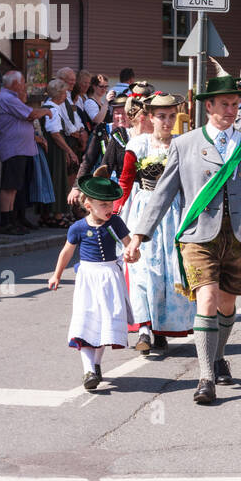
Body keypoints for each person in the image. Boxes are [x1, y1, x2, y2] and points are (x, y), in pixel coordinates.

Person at [127, 75, 241, 405]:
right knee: (206, 297)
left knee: (227, 303)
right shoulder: (185, 144)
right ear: (209, 106)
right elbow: (163, 193)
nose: (232, 110)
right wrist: (138, 235)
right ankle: (205, 378)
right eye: (225, 104)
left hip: (239, 233)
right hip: (198, 233)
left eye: (235, 104)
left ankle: (217, 356)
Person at [48, 167, 140, 391]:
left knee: (105, 323)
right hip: (88, 278)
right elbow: (67, 252)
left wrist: (133, 254)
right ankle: (89, 369)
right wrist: (57, 274)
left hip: (110, 276)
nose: (109, 209)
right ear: (88, 206)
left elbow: (129, 245)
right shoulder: (78, 228)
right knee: (86, 320)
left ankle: (96, 365)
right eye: (104, 205)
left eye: (110, 204)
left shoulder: (115, 223)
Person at [115, 93, 195, 352]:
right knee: (143, 271)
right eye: (162, 116)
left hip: (173, 214)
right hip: (143, 211)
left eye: (172, 116)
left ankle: (161, 327)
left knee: (167, 273)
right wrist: (114, 210)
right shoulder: (138, 145)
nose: (167, 122)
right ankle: (144, 328)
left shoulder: (182, 144)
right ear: (150, 117)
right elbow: (126, 181)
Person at [0, 71, 51, 236]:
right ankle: (5, 222)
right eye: (22, 82)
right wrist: (46, 111)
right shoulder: (7, 98)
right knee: (10, 186)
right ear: (14, 83)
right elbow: (31, 115)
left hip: (20, 148)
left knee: (16, 187)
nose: (24, 85)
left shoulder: (10, 97)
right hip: (13, 148)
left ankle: (13, 220)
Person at [39, 79, 80, 228]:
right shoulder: (53, 109)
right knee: (57, 181)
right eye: (63, 93)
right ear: (58, 94)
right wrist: (69, 151)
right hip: (54, 150)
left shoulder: (48, 106)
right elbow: (55, 133)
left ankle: (45, 215)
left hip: (49, 149)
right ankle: (56, 215)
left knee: (49, 180)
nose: (65, 96)